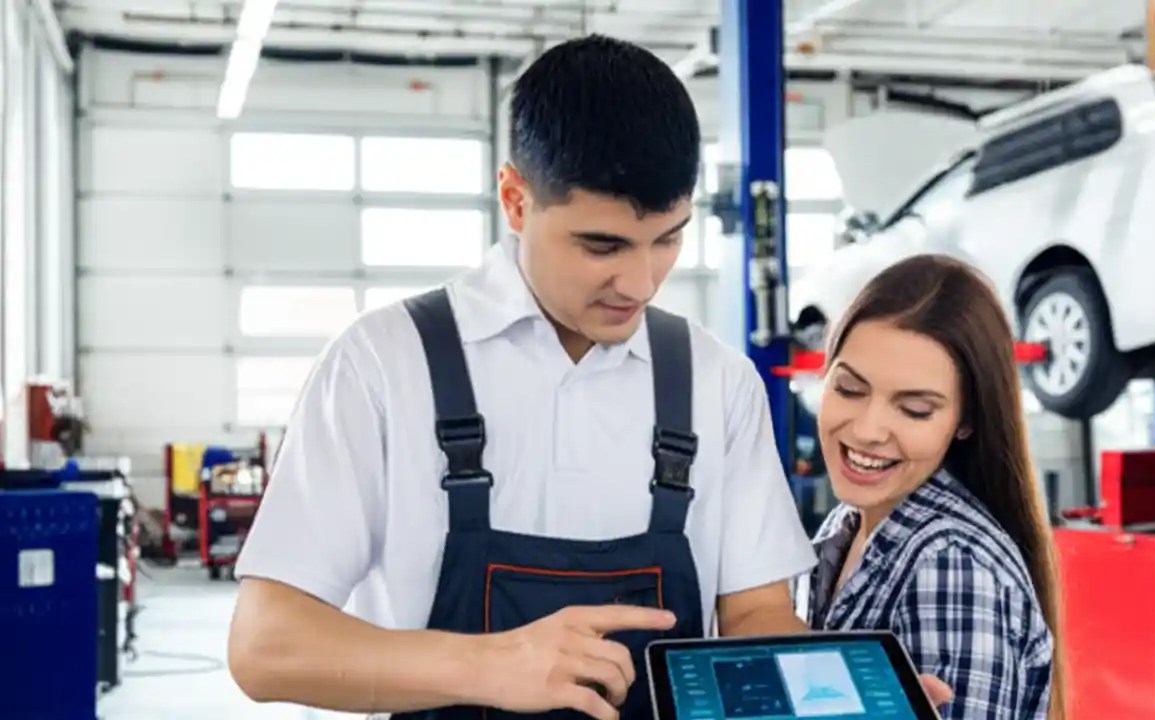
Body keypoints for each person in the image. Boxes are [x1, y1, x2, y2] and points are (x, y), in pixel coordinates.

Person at [226, 35, 825, 720]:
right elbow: (265, 644)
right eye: (603, 245)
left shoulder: (717, 383)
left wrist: (822, 693)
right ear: (516, 200)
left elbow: (756, 612)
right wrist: (488, 665)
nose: (640, 282)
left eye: (668, 238)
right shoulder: (383, 365)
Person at [798, 254, 1065, 719]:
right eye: (849, 389)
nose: (867, 430)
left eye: (915, 410)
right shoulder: (849, 525)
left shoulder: (952, 566)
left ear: (965, 421)